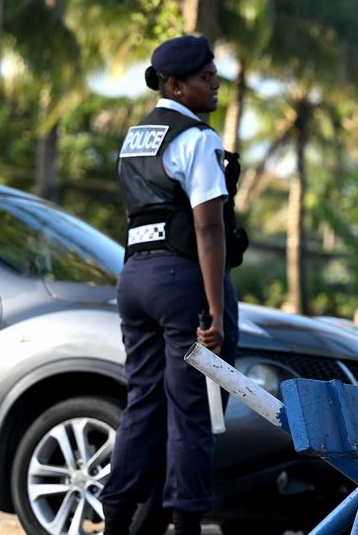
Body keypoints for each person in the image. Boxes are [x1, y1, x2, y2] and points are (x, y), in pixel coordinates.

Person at [101, 35, 247, 535]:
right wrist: (213, 311)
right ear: (176, 85)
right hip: (183, 280)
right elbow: (207, 227)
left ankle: (119, 518)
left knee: (142, 403)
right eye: (206, 78)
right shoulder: (197, 138)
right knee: (193, 411)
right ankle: (185, 523)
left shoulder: (135, 136)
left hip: (134, 277)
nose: (215, 85)